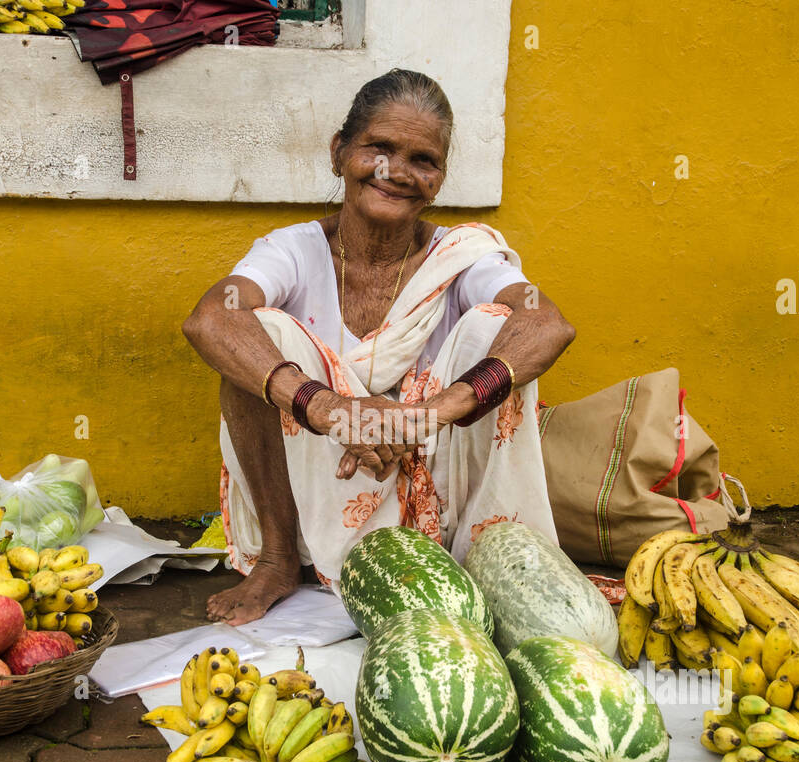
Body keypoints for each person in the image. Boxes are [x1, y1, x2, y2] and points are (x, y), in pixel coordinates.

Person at [183, 68, 576, 625]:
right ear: (341, 151)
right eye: (380, 148)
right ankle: (276, 558)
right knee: (252, 334)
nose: (397, 172)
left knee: (498, 324)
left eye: (424, 160)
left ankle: (479, 554)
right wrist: (331, 408)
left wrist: (423, 416)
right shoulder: (292, 251)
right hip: (322, 488)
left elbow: (548, 323)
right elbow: (208, 320)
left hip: (435, 501)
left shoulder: (460, 257)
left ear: (438, 180)